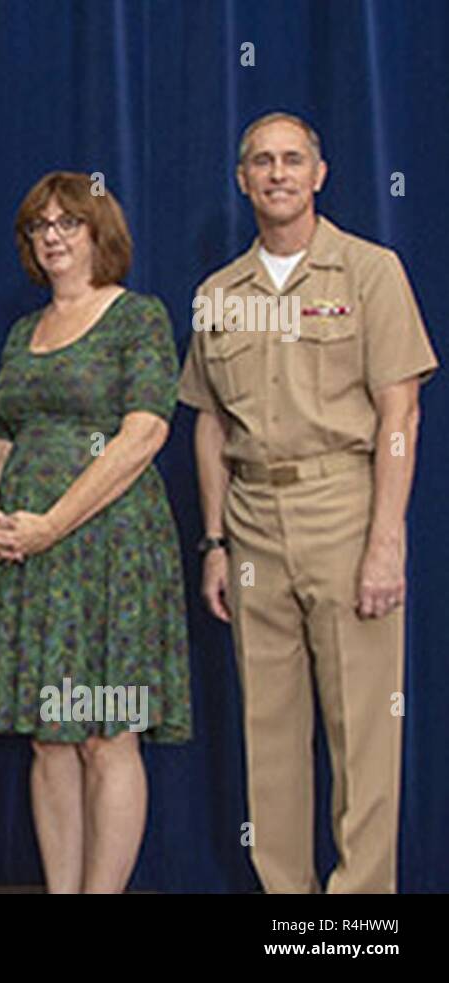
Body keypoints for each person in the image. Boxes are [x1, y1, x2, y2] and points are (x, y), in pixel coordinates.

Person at [180, 112, 437, 894]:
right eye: (262, 161)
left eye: (293, 159)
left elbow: (401, 413)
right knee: (269, 732)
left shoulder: (369, 271)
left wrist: (385, 539)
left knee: (361, 733)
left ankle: (356, 918)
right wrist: (216, 543)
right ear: (243, 179)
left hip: (345, 507)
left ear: (319, 174)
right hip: (253, 522)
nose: (278, 173)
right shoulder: (219, 293)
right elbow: (208, 425)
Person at [0, 172, 191, 893]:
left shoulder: (139, 317)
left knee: (106, 732)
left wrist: (52, 524)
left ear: (102, 234)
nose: (54, 237)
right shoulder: (18, 331)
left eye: (71, 223)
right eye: (41, 226)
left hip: (111, 550)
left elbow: (144, 434)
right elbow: (2, 438)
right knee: (50, 737)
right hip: (28, 553)